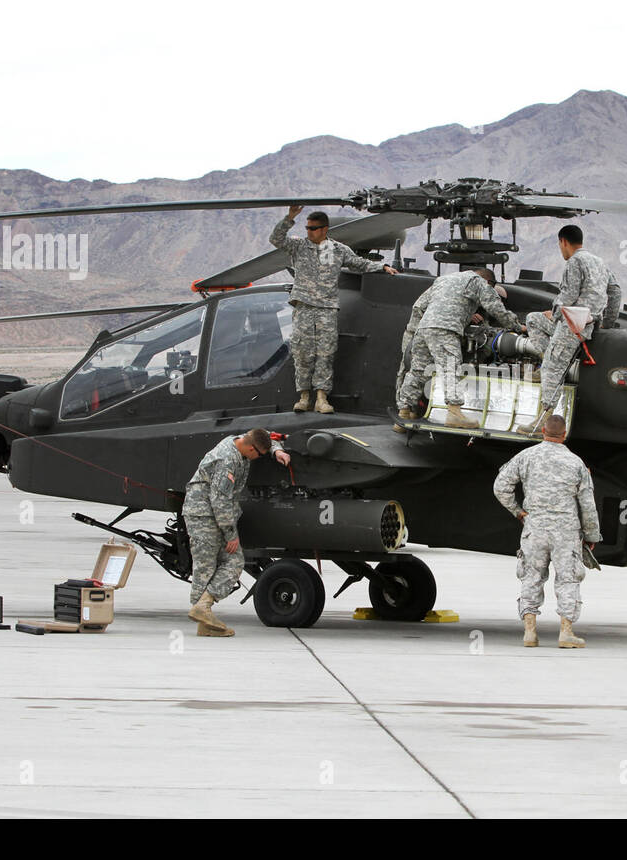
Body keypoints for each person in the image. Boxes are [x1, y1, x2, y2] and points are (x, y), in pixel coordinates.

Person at [270, 206, 399, 414]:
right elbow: (276, 239)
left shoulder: (338, 250)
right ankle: (304, 396)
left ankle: (321, 397)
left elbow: (359, 263)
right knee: (302, 352)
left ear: (324, 229)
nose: (309, 232)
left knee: (326, 353)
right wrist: (290, 217)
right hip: (304, 306)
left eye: (313, 228)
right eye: (307, 228)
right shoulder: (298, 246)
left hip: (327, 308)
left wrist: (381, 267)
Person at [492, 414, 602, 648]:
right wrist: (591, 535)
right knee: (568, 579)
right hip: (566, 532)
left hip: (535, 528)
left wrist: (519, 512)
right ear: (565, 435)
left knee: (531, 577)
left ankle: (530, 632)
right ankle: (566, 633)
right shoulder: (576, 463)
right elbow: (588, 505)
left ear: (543, 431)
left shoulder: (526, 456)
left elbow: (501, 486)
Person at [184, 428, 291, 637]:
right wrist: (231, 534)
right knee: (206, 568)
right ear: (251, 449)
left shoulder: (241, 442)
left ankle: (204, 616)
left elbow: (265, 435)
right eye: (258, 455)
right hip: (204, 515)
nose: (257, 459)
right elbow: (220, 501)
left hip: (213, 515)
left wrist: (276, 450)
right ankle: (203, 614)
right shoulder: (227, 461)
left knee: (231, 562)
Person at [519, 225, 621, 433]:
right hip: (587, 324)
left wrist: (555, 314)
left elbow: (568, 295)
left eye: (559, 245)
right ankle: (549, 359)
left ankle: (542, 421)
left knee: (551, 368)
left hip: (571, 324)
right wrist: (607, 323)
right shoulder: (599, 262)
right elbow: (615, 292)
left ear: (563, 242)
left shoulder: (575, 262)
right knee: (533, 320)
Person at [396, 267, 523, 429]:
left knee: (418, 370)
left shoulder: (443, 279)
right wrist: (517, 327)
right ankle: (454, 413)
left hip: (423, 328)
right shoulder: (479, 283)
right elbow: (496, 309)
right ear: (488, 282)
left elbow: (419, 306)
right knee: (451, 368)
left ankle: (404, 412)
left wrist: (413, 333)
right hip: (446, 329)